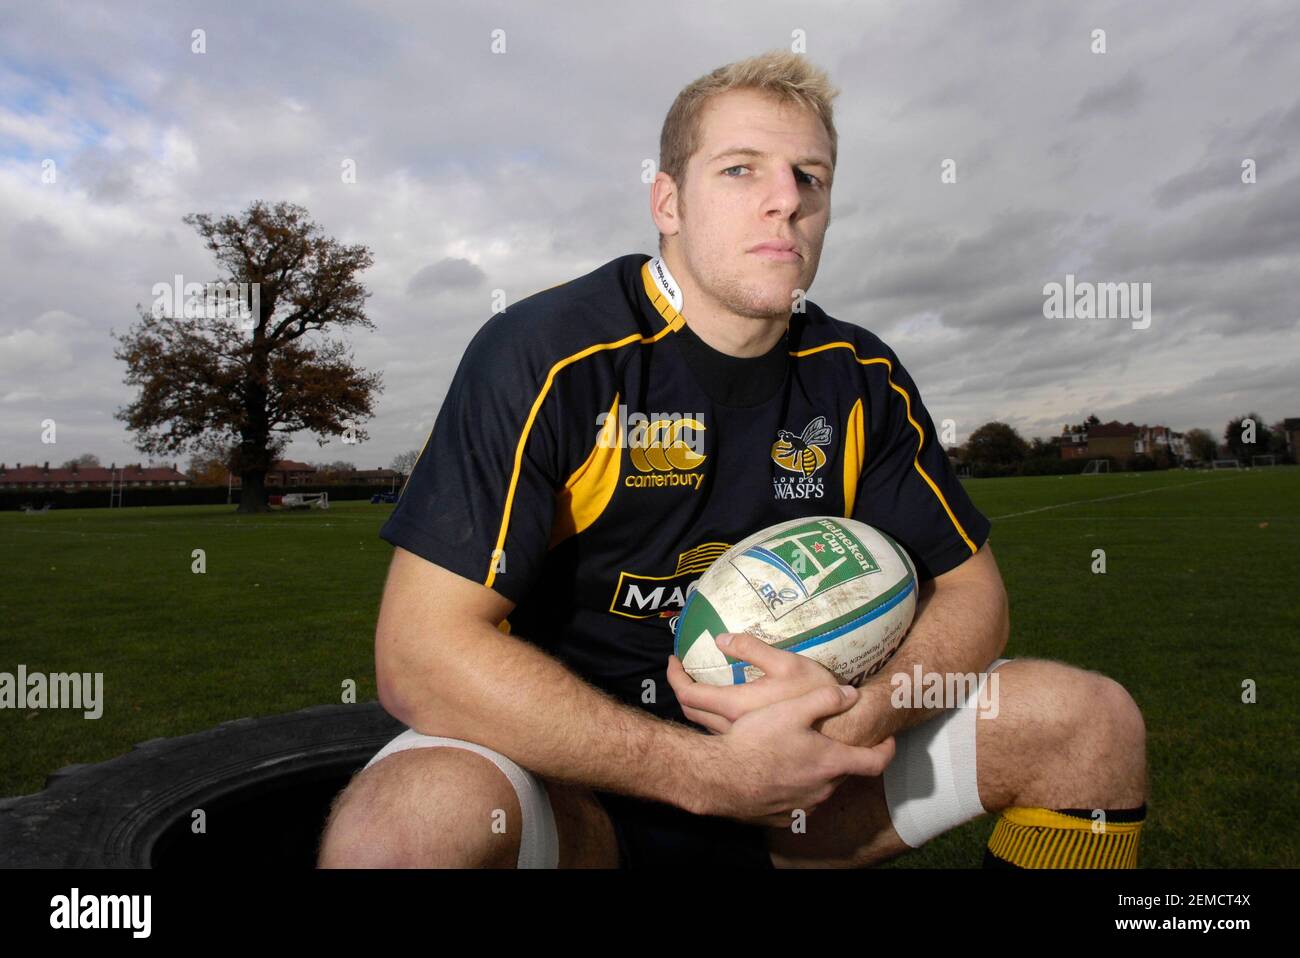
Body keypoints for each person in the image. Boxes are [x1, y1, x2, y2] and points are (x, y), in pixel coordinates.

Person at [318, 51, 1146, 869]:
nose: (784, 200)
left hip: (803, 786)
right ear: (668, 201)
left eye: (809, 178)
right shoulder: (549, 357)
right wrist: (709, 773)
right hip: (575, 786)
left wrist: (851, 723)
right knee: (406, 828)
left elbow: (974, 594)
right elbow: (419, 653)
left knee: (1087, 724)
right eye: (741, 170)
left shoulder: (860, 378)